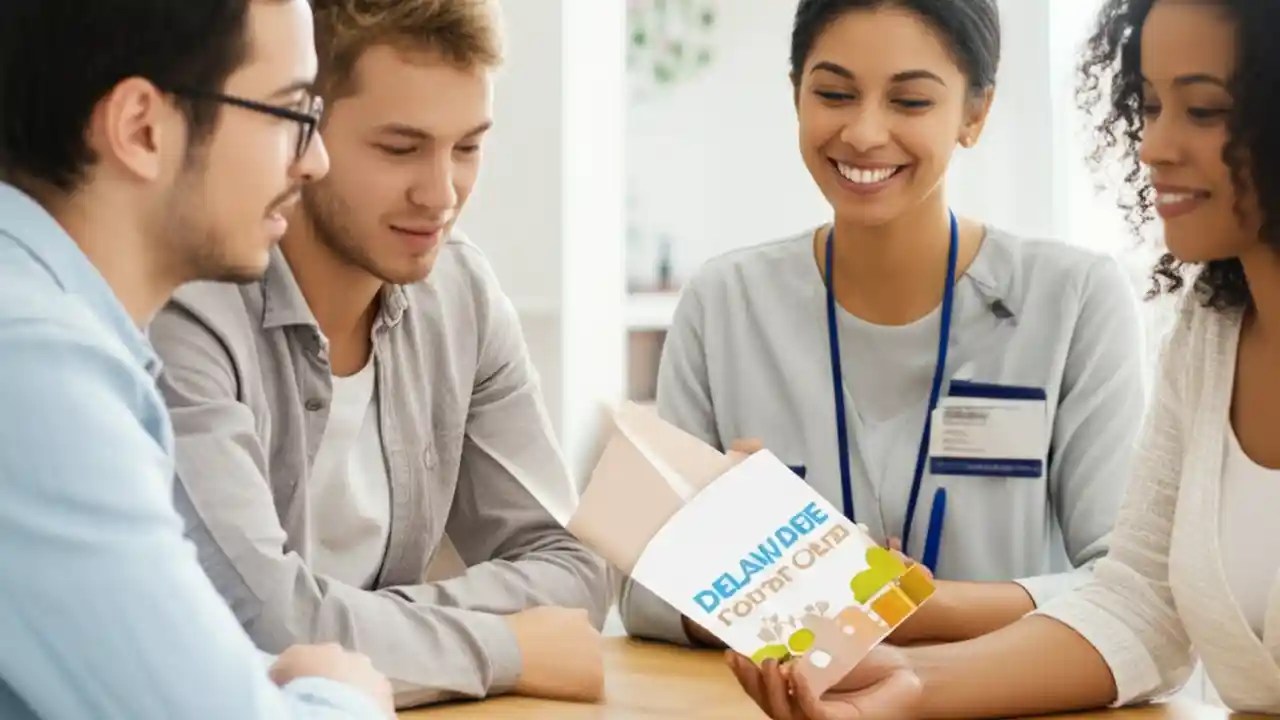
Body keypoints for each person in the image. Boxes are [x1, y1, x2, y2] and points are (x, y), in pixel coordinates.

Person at [731, 0, 1280, 717]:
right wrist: (904, 682)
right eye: (1147, 105)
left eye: (1204, 110)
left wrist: (931, 614)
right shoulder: (1209, 336)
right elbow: (1139, 603)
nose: (1153, 145)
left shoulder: (1077, 295)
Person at [621, 0, 1146, 650]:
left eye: (911, 102)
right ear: (797, 96)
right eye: (835, 94)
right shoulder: (724, 302)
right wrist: (808, 578)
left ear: (974, 114)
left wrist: (909, 609)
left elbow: (1129, 590)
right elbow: (644, 592)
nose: (865, 133)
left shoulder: (1073, 301)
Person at [147, 0, 609, 708]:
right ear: (300, 134)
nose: (441, 193)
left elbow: (573, 572)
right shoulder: (188, 311)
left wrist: (363, 632)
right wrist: (511, 648)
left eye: (468, 147)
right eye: (399, 148)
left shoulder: (462, 295)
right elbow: (258, 626)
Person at [0, 1, 396, 718]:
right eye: (289, 112)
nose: (316, 159)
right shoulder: (34, 368)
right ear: (142, 129)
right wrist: (345, 695)